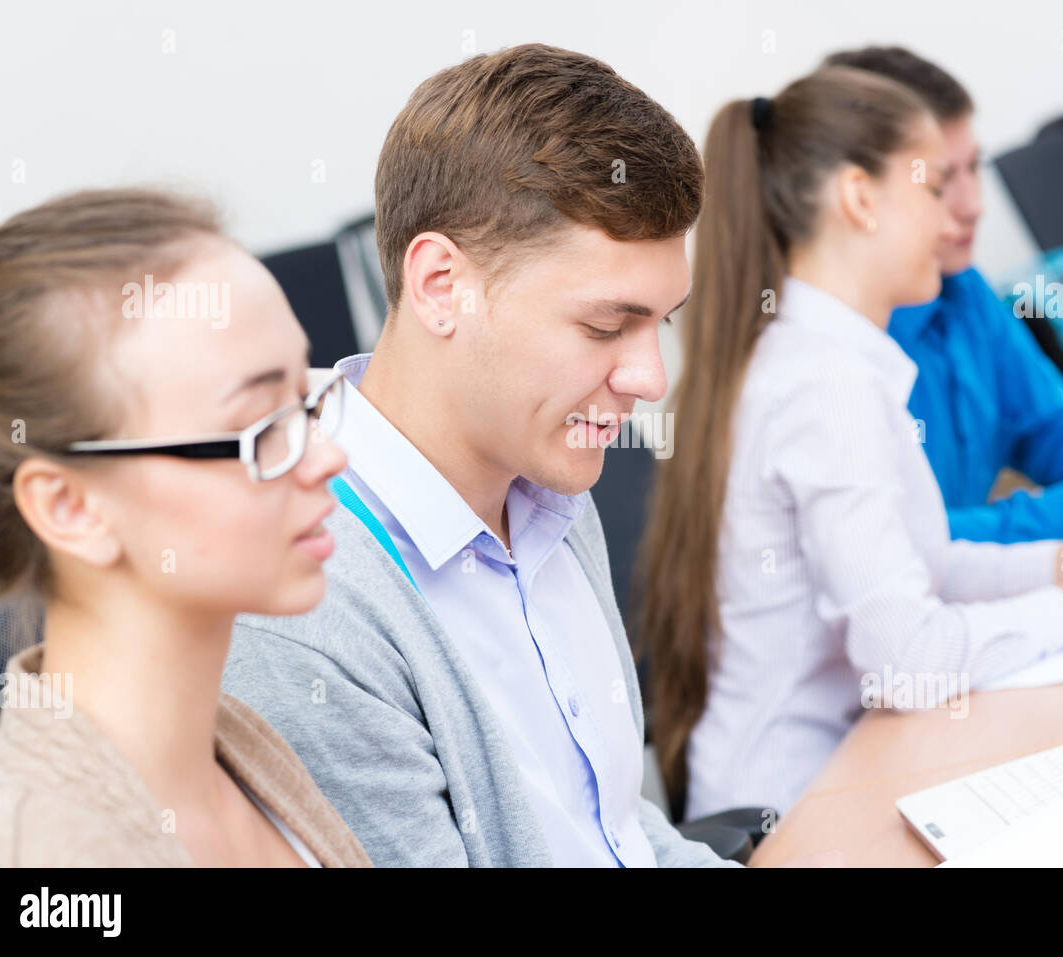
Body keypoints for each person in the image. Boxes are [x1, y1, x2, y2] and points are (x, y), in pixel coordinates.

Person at [638, 66, 1063, 820]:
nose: (953, 218)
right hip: (795, 806)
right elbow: (905, 662)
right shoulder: (822, 384)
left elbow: (927, 564)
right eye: (933, 188)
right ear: (858, 198)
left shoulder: (838, 356)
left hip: (857, 760)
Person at [221, 43, 748, 867]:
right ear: (440, 286)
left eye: (662, 324)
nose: (649, 378)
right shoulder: (307, 607)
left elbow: (614, 831)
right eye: (606, 327)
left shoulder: (549, 489)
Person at [0, 189, 370, 867]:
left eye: (306, 403)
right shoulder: (45, 863)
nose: (329, 455)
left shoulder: (239, 746)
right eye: (258, 427)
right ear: (71, 506)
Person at [818, 46, 1063, 545]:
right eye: (941, 183)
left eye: (974, 169)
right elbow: (903, 550)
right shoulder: (829, 354)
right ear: (860, 197)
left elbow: (1047, 424)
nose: (972, 207)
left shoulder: (961, 288)